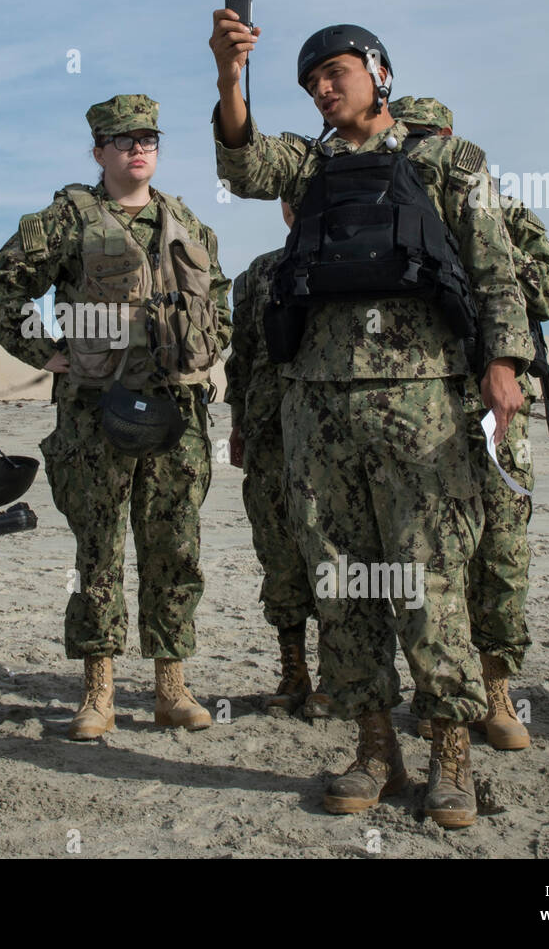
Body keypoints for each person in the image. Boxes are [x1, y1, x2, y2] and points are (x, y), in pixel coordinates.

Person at [209, 15, 534, 828]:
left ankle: (451, 755)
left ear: (380, 74)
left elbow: (494, 269)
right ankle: (373, 747)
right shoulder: (308, 163)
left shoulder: (450, 163)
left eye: (337, 72)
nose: (323, 87)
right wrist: (227, 77)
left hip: (424, 401)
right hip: (318, 407)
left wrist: (503, 365)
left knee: (430, 578)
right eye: (311, 79)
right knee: (341, 581)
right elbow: (246, 163)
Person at [0, 95, 232, 740]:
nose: (138, 148)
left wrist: (207, 345)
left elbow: (221, 298)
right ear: (98, 151)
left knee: (175, 546)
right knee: (97, 549)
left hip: (176, 409)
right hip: (97, 411)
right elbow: (1, 289)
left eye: (148, 136)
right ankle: (98, 690)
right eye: (122, 140)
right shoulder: (64, 220)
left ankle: (169, 685)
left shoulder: (188, 224)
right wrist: (45, 352)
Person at [390, 97, 549, 751]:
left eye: (426, 140)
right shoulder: (387, 216)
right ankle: (435, 687)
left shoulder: (501, 208)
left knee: (501, 549)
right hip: (415, 405)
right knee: (424, 553)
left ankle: (496, 693)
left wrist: (484, 259)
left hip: (494, 406)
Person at [226, 201, 320, 715]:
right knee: (279, 555)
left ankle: (339, 672)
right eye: (292, 195)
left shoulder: (345, 260)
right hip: (268, 434)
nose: (297, 205)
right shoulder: (257, 274)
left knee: (335, 552)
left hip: (331, 433)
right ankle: (293, 671)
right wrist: (239, 422)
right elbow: (239, 356)